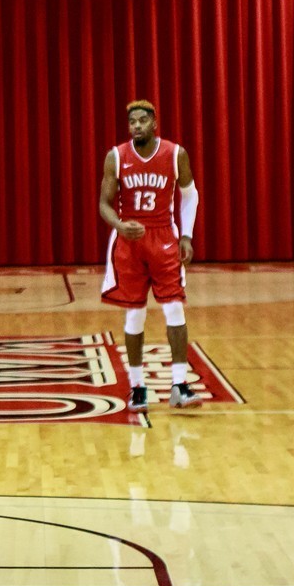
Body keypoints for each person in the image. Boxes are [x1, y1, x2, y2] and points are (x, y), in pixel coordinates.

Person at [99, 99, 203, 411]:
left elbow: (190, 195)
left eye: (142, 121)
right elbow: (103, 203)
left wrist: (186, 234)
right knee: (134, 312)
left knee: (174, 309)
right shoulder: (116, 157)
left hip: (163, 237)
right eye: (132, 122)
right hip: (129, 241)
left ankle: (180, 385)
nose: (137, 127)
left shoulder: (175, 153)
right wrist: (118, 223)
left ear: (154, 123)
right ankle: (137, 387)